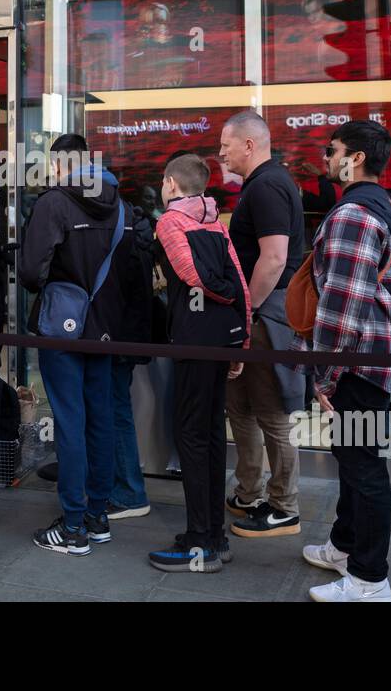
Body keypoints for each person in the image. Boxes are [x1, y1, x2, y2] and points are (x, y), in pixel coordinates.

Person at [300, 120, 391, 602]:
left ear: (356, 157)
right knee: (353, 458)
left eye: (333, 150)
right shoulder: (385, 205)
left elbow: (343, 307)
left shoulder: (351, 216)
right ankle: (345, 548)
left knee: (363, 466)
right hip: (373, 355)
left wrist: (323, 376)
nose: (326, 158)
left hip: (356, 361)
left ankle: (369, 580)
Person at [19, 133, 134, 556]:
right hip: (104, 328)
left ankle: (72, 527)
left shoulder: (54, 202)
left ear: (57, 165)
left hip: (62, 328)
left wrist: (55, 285)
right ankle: (97, 516)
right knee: (100, 418)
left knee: (69, 422)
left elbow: (31, 270)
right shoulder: (119, 202)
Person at [147, 154, 251, 573]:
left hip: (193, 340)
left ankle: (200, 545)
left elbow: (196, 276)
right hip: (221, 339)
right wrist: (241, 339)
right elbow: (240, 280)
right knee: (209, 434)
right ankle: (213, 536)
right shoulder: (214, 220)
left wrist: (218, 292)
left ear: (172, 184)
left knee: (191, 435)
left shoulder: (170, 222)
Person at [218, 110, 307, 537]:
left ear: (249, 145)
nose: (221, 154)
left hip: (266, 317)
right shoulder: (262, 185)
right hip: (255, 316)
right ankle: (249, 491)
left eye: (226, 145)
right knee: (242, 408)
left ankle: (284, 506)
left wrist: (247, 311)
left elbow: (273, 259)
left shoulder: (269, 185)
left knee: (272, 413)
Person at [106, 196, 154, 522]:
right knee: (117, 407)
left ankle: (129, 492)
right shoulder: (139, 228)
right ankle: (123, 487)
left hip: (117, 335)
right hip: (130, 334)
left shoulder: (119, 235)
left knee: (115, 409)